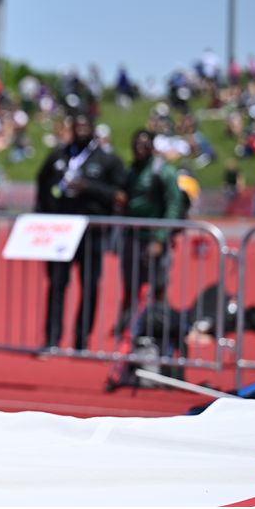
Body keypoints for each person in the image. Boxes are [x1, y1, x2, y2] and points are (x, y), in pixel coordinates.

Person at [36, 113, 126, 351]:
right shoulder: (58, 155)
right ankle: (52, 340)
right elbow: (42, 186)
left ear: (93, 129)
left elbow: (118, 194)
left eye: (86, 125)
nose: (81, 130)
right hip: (60, 233)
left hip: (91, 233)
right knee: (56, 284)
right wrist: (41, 220)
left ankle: (81, 340)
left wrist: (89, 188)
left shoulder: (108, 160)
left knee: (90, 286)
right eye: (77, 126)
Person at [113, 130, 183, 337]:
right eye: (136, 145)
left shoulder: (163, 171)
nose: (139, 149)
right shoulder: (131, 171)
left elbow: (173, 204)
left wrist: (161, 237)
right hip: (132, 238)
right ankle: (125, 330)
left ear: (152, 147)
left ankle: (160, 329)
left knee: (159, 287)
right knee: (130, 287)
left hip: (154, 238)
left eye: (144, 145)